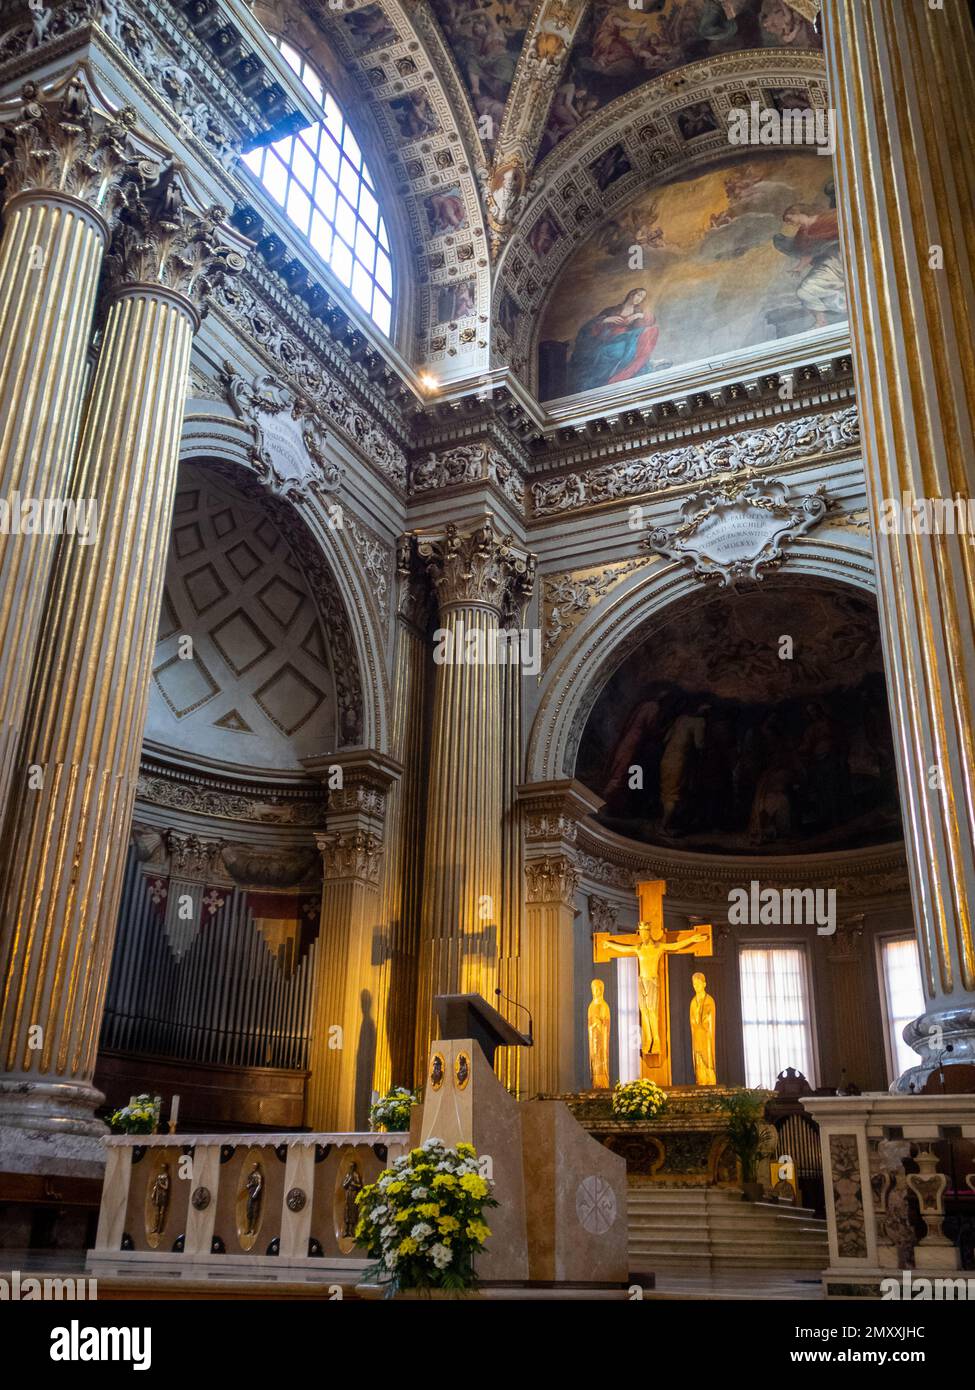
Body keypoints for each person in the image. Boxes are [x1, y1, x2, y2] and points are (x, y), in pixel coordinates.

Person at [568, 288, 659, 392]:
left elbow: (651, 321)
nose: (639, 299)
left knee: (649, 331)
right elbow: (587, 328)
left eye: (642, 297)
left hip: (627, 341)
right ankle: (602, 382)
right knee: (604, 353)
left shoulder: (638, 312)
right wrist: (606, 320)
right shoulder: (611, 310)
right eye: (638, 295)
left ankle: (616, 377)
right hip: (607, 341)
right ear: (631, 294)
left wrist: (638, 315)